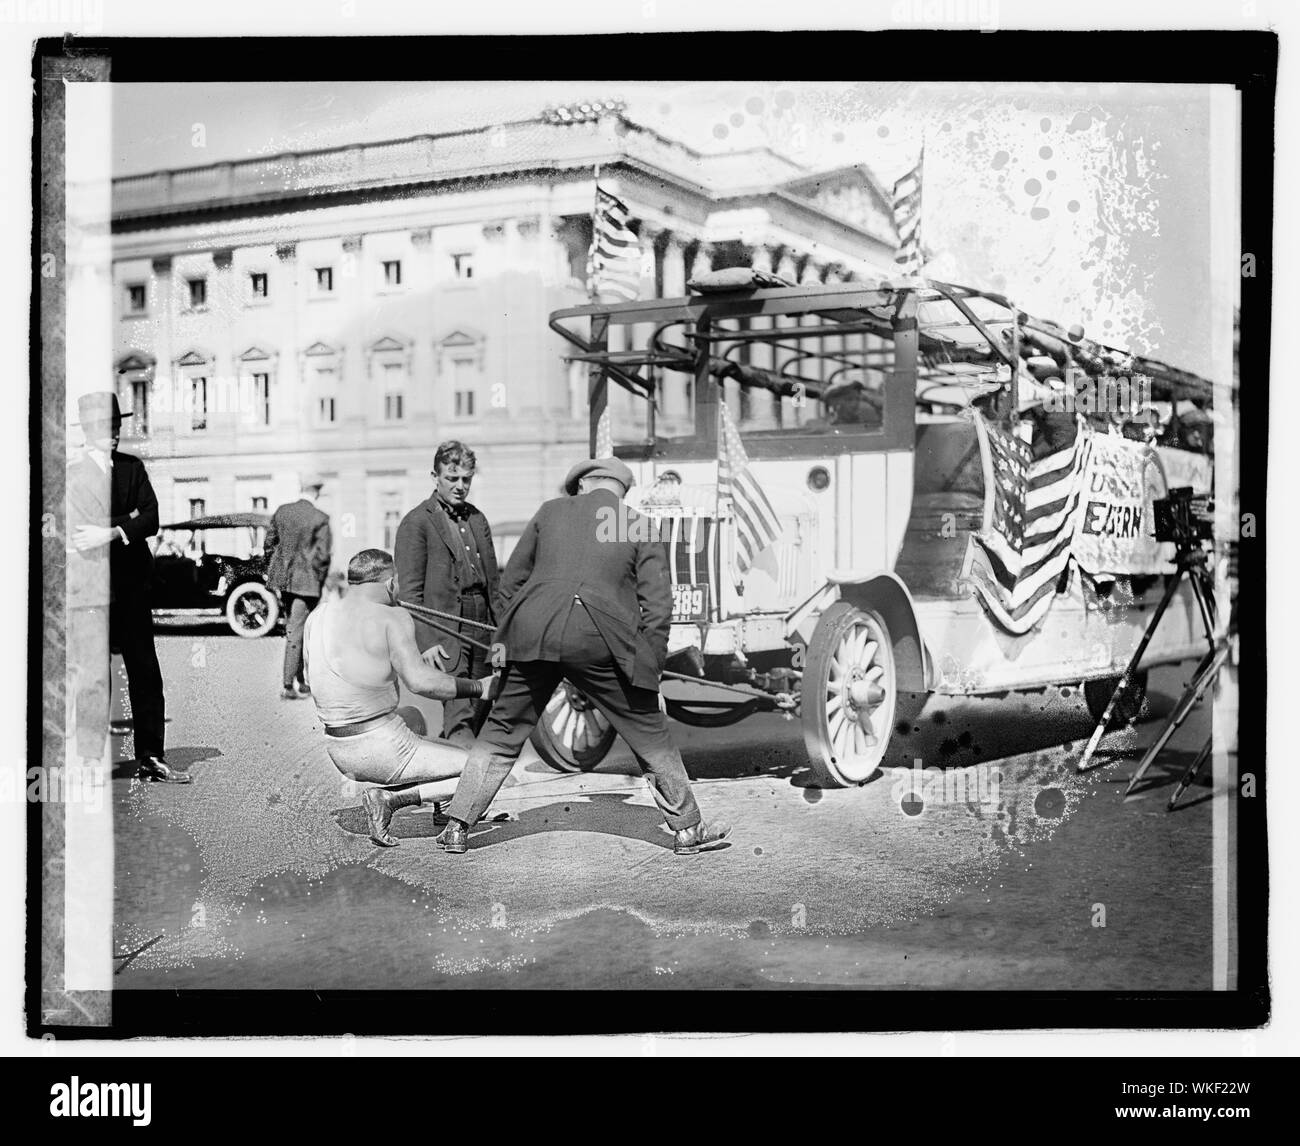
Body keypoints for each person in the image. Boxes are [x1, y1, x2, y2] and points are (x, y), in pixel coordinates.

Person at [436, 457, 733, 857]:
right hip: (601, 639)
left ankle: (457, 826)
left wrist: (514, 634)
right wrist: (647, 670)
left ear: (582, 486)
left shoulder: (549, 511)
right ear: (620, 491)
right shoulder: (637, 523)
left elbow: (510, 584)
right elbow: (658, 608)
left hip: (532, 634)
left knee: (502, 729)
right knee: (648, 732)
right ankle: (687, 830)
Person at [303, 549, 500, 847]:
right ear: (391, 584)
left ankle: (441, 804)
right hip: (382, 749)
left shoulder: (317, 616)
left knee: (414, 717)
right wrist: (479, 688)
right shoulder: (392, 616)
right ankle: (391, 799)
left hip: (338, 749)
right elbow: (421, 683)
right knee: (485, 766)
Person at [65, 391, 189, 783]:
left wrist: (110, 529)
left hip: (133, 587)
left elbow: (151, 518)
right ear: (88, 430)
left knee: (146, 673)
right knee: (93, 677)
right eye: (107, 428)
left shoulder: (133, 468)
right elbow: (77, 529)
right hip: (90, 591)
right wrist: (126, 524)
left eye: (118, 426)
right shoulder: (71, 475)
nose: (115, 434)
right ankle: (87, 761)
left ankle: (151, 757)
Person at [394, 441, 501, 746]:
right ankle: (461, 782)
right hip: (445, 629)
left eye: (466, 479)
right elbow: (409, 596)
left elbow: (494, 584)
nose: (460, 486)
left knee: (482, 704)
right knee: (459, 712)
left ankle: (448, 769)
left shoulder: (478, 519)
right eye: (452, 479)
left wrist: (502, 635)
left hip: (483, 627)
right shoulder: (416, 522)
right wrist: (426, 642)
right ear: (435, 477)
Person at [266, 475, 332, 700]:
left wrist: (275, 569)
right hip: (307, 582)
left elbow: (269, 544)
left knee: (295, 627)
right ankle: (287, 685)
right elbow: (323, 556)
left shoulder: (282, 511)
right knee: (297, 630)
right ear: (317, 492)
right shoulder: (320, 518)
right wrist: (319, 580)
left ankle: (301, 681)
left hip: (283, 581)